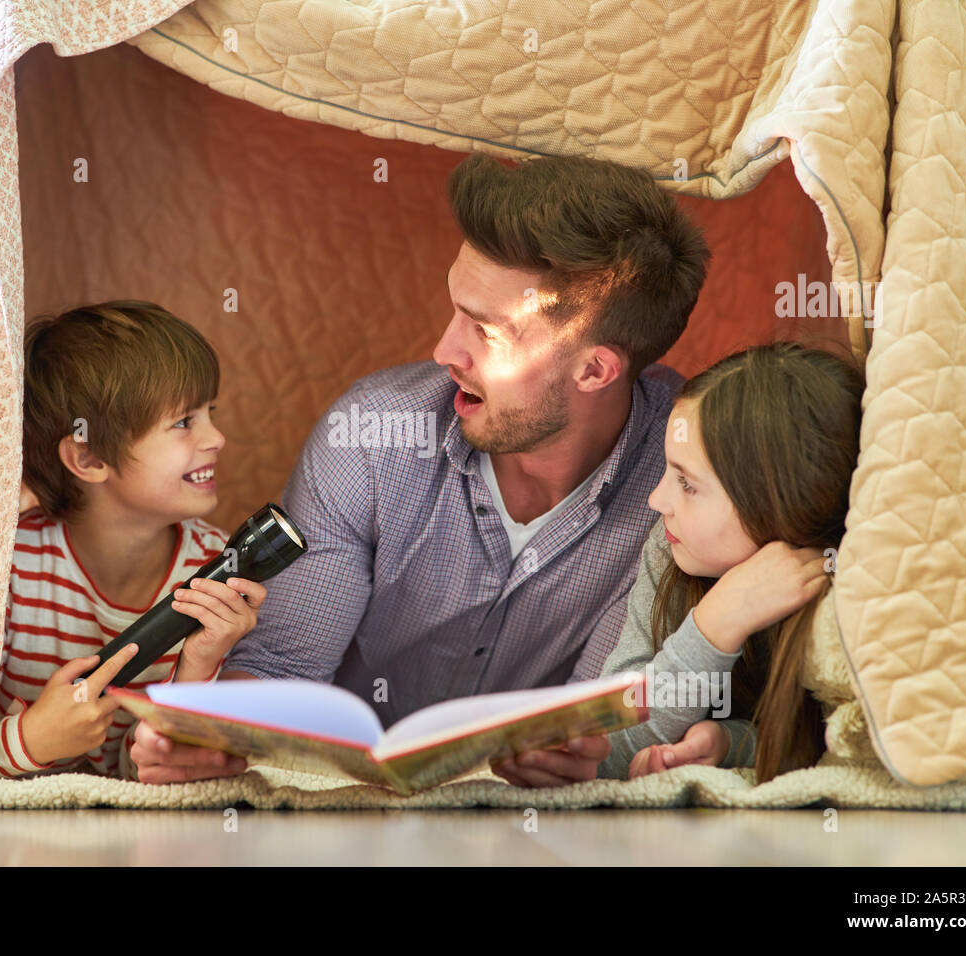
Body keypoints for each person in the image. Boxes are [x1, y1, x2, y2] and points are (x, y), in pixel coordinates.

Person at [129, 153, 713, 787]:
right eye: (455, 307)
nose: (444, 351)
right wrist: (212, 740)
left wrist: (587, 758)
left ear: (595, 370)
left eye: (486, 331)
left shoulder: (687, 482)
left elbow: (612, 719)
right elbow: (276, 669)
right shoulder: (369, 439)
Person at [0, 301, 265, 779]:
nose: (218, 438)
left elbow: (146, 770)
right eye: (184, 422)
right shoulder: (8, 567)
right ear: (87, 459)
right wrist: (31, 739)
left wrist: (198, 664)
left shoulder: (214, 564)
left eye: (210, 413)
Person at [595, 342, 865, 782]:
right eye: (668, 472)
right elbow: (610, 738)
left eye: (687, 483)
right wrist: (726, 742)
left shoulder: (843, 590)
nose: (657, 499)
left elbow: (833, 746)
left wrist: (718, 623)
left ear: (775, 506)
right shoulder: (670, 548)